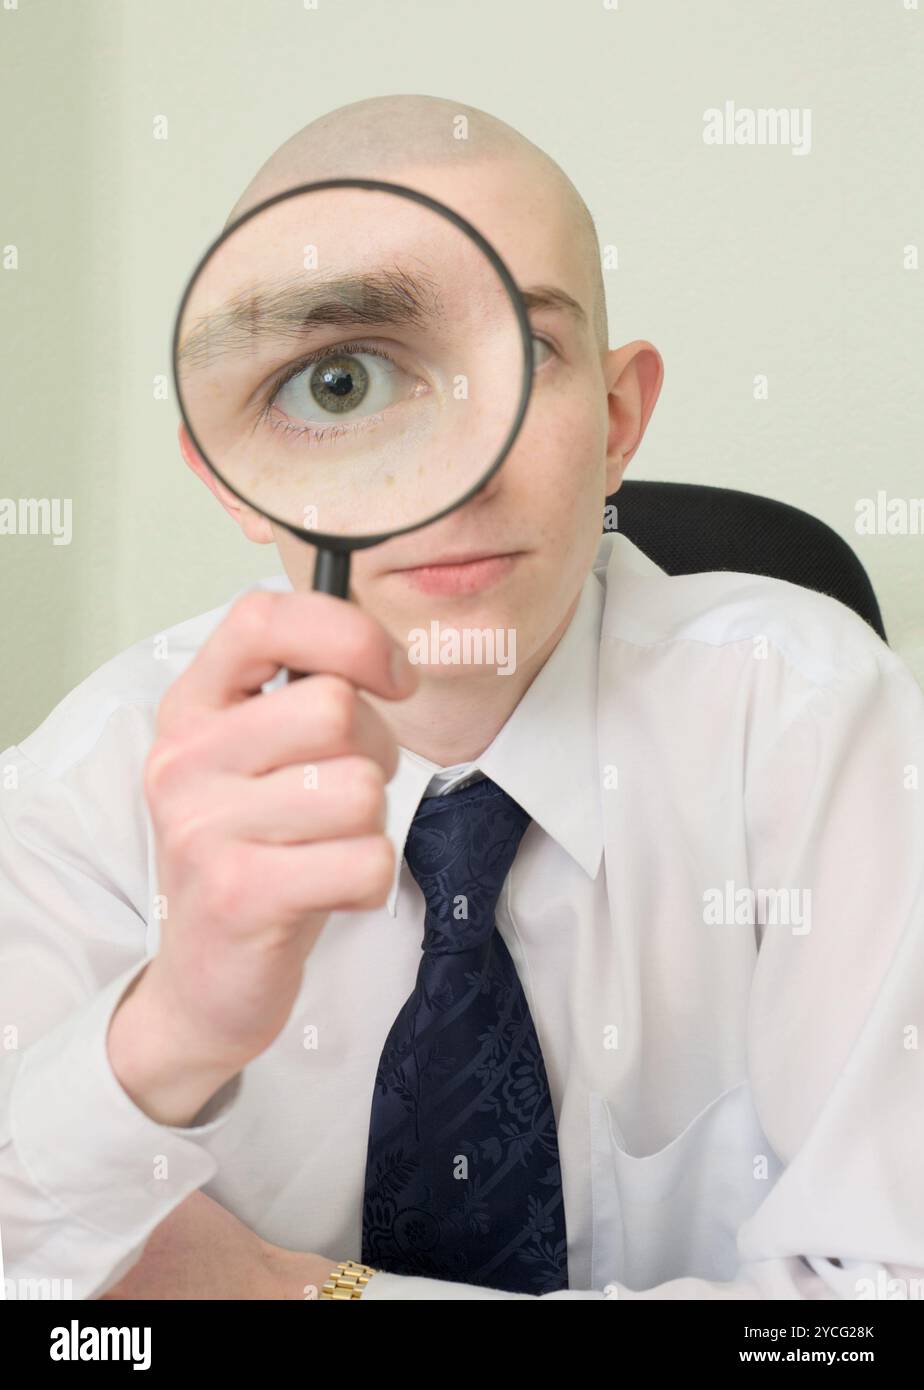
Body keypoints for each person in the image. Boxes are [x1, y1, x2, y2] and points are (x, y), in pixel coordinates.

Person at [1, 94, 922, 1303]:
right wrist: (168, 1025)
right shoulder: (88, 786)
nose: (450, 470)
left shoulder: (818, 719)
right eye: (339, 383)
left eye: (524, 356)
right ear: (235, 475)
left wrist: (299, 1294)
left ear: (614, 420)